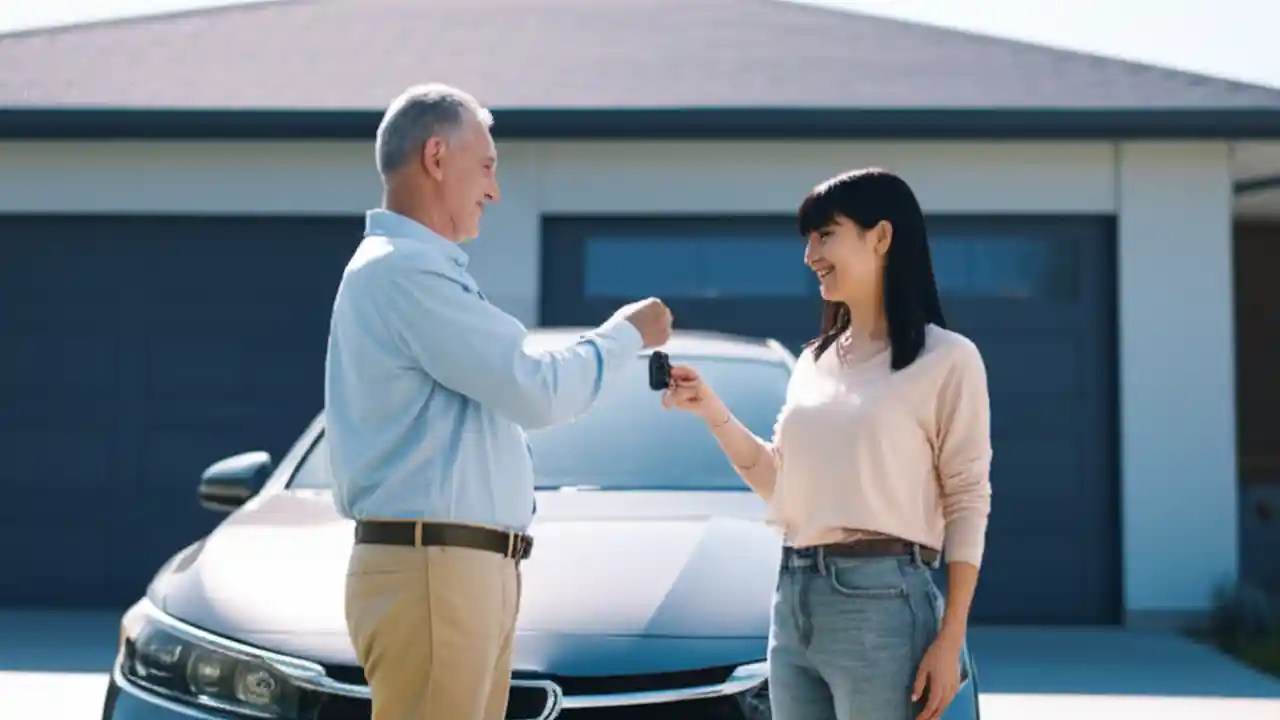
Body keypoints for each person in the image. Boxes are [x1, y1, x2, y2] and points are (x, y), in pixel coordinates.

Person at [323, 83, 673, 720]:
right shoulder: (404, 270)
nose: (495, 188)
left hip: (451, 570)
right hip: (435, 572)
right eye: (486, 166)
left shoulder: (415, 271)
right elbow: (536, 389)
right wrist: (626, 333)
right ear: (436, 157)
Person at [662, 167, 992, 720]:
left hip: (883, 604)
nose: (810, 253)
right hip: (793, 600)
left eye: (825, 234)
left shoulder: (948, 359)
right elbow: (780, 485)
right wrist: (710, 411)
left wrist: (950, 634)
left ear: (881, 237)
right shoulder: (815, 360)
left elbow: (967, 498)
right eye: (808, 238)